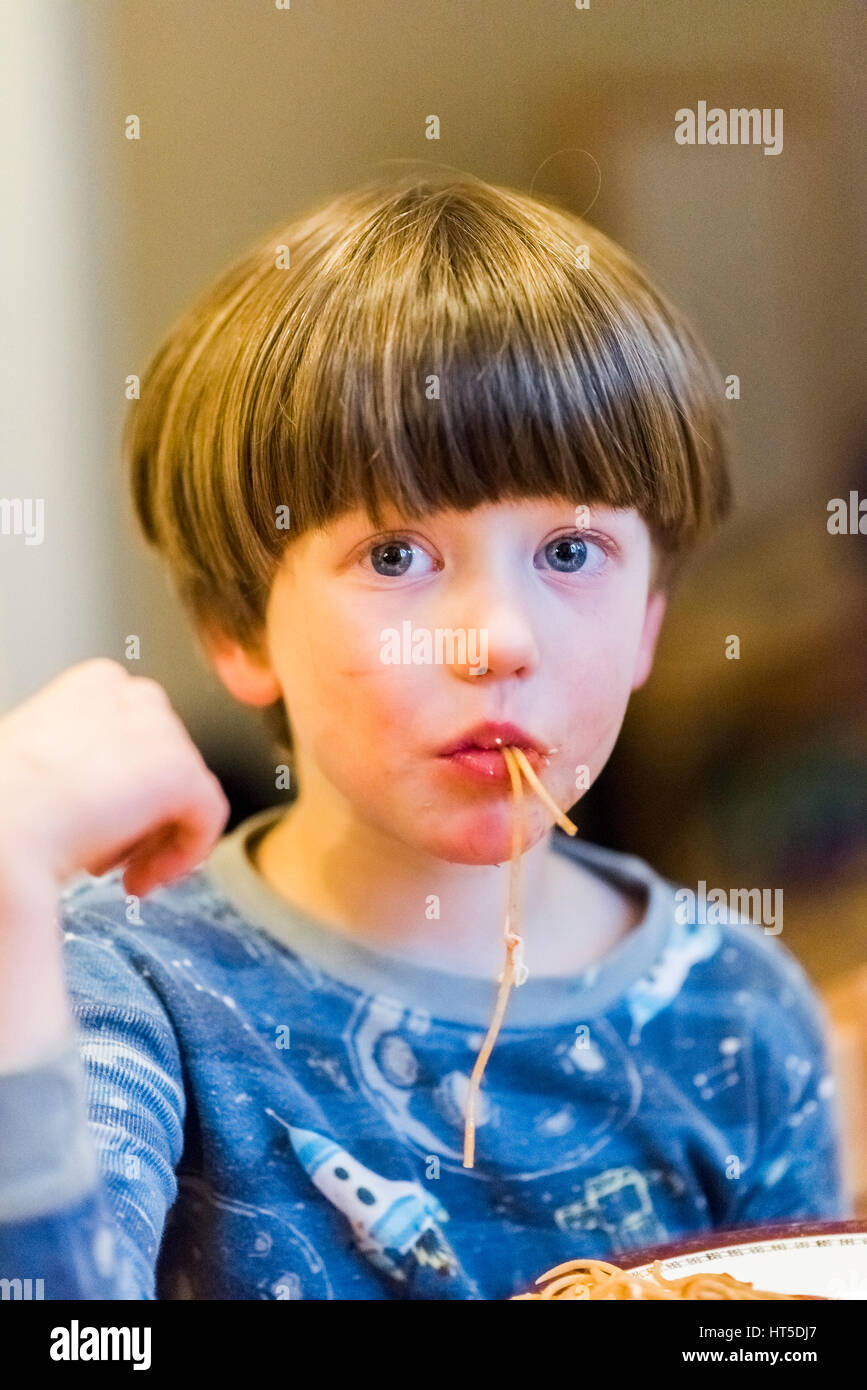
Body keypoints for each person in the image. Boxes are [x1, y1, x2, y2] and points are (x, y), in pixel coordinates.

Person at [0, 172, 851, 1301]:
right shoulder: (127, 987)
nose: (500, 639)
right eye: (396, 555)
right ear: (236, 626)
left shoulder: (741, 1015)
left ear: (650, 620)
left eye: (568, 553)